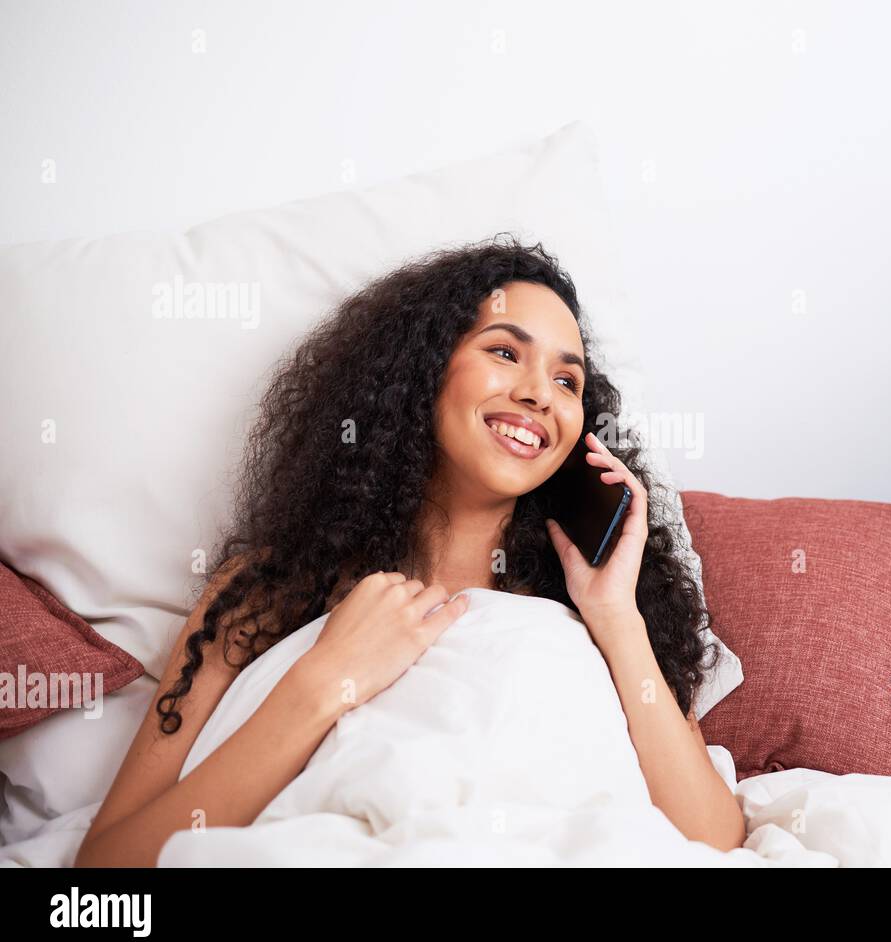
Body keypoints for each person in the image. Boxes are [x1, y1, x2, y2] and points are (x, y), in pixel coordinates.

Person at [74, 234, 744, 866]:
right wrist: (322, 679)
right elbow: (108, 863)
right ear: (423, 371)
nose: (541, 393)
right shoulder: (269, 591)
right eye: (504, 352)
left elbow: (712, 837)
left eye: (568, 381)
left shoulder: (598, 607)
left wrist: (616, 617)